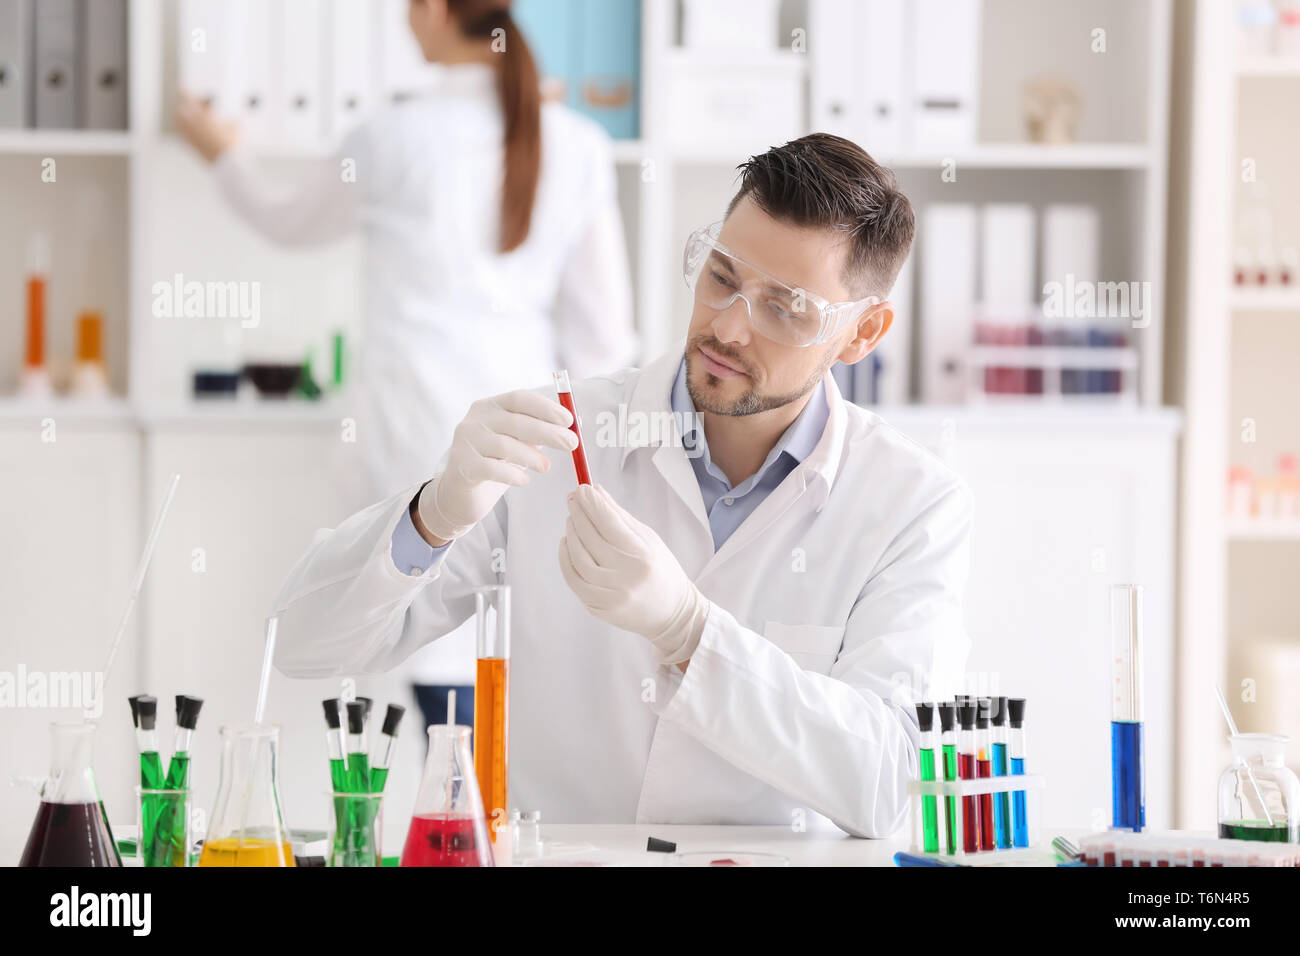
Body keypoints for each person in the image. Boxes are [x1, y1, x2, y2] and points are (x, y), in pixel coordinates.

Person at [273, 133, 973, 837]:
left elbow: (889, 783)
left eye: (785, 308)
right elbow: (305, 644)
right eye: (723, 277)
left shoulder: (911, 504)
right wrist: (431, 516)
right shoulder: (559, 436)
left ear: (862, 334)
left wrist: (690, 633)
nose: (728, 328)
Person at [176, 0, 638, 732]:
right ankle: (480, 825)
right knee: (493, 648)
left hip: (414, 422)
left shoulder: (391, 137)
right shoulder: (578, 143)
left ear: (432, 11)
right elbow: (605, 340)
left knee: (417, 631)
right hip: (527, 438)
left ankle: (448, 818)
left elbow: (287, 221)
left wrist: (219, 150)